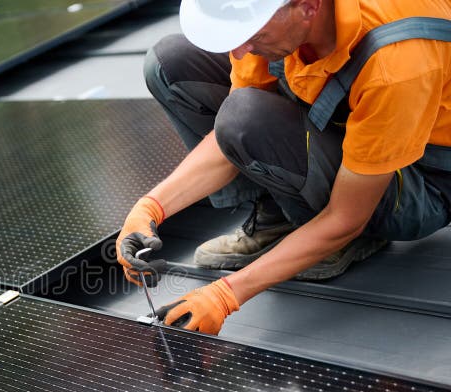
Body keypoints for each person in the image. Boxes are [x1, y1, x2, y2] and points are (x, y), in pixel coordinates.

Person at [117, 0, 451, 335]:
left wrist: (226, 294)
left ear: (308, 7)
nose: (238, 50)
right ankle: (278, 219)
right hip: (357, 122)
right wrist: (151, 208)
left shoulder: (397, 60)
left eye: (252, 34)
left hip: (419, 182)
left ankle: (342, 242)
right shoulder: (282, 23)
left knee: (245, 116)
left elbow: (346, 217)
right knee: (172, 60)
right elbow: (224, 138)